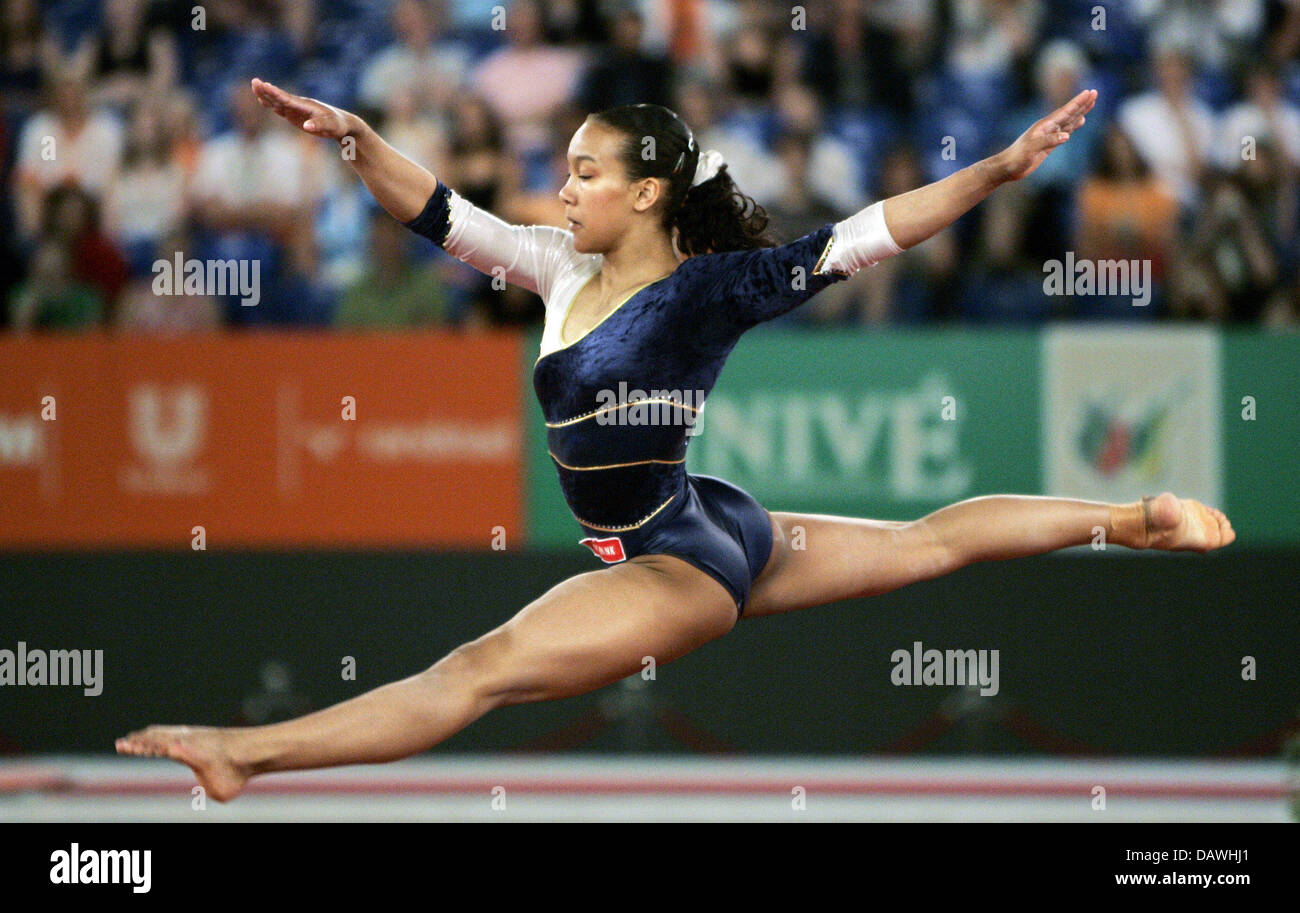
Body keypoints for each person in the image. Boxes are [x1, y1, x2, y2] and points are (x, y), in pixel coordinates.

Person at [116, 80, 1236, 801]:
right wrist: (360, 143)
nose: (563, 186)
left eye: (587, 172)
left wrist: (992, 173)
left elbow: (863, 236)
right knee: (927, 540)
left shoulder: (710, 291)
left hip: (677, 561)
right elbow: (443, 213)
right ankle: (1126, 518)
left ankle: (245, 753)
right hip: (716, 518)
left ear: (647, 191)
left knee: (475, 674)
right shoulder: (555, 265)